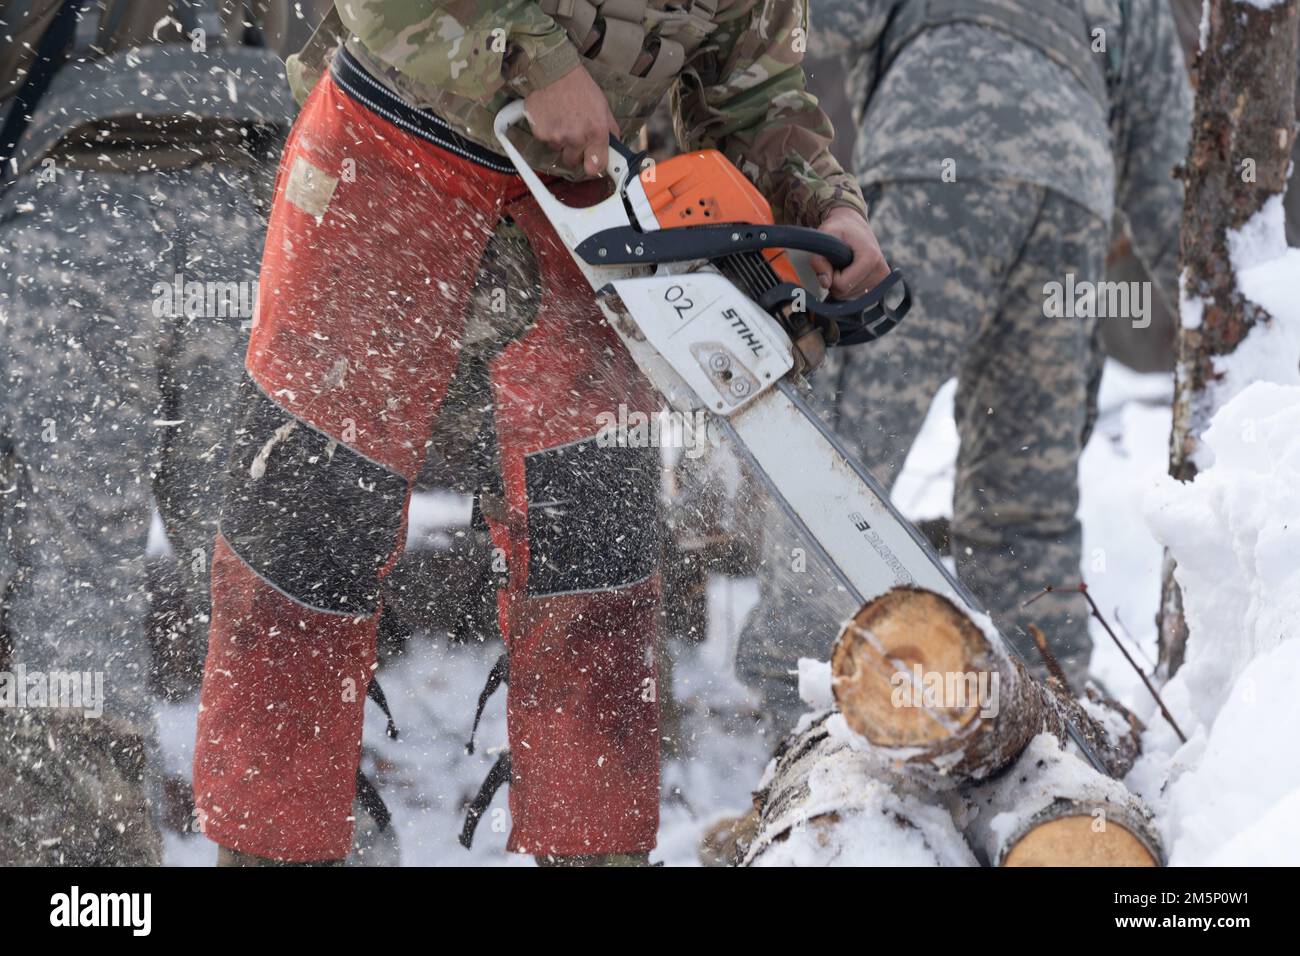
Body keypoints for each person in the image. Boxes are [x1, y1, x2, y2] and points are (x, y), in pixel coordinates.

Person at [190, 0, 890, 865]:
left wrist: (825, 204)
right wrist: (539, 57)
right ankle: (271, 849)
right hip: (390, 150)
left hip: (587, 204)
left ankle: (594, 852)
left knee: (596, 557)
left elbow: (755, 89)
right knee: (302, 537)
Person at [735, 0, 1193, 731]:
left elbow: (803, 21)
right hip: (1073, 191)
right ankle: (1047, 729)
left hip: (931, 162)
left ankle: (795, 711)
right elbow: (1168, 170)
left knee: (839, 460)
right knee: (1028, 496)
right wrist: (1215, 327)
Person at [0, 0, 306, 865]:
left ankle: (87, 878)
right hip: (249, 206)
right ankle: (298, 837)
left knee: (68, 572)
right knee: (261, 568)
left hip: (72, 215)